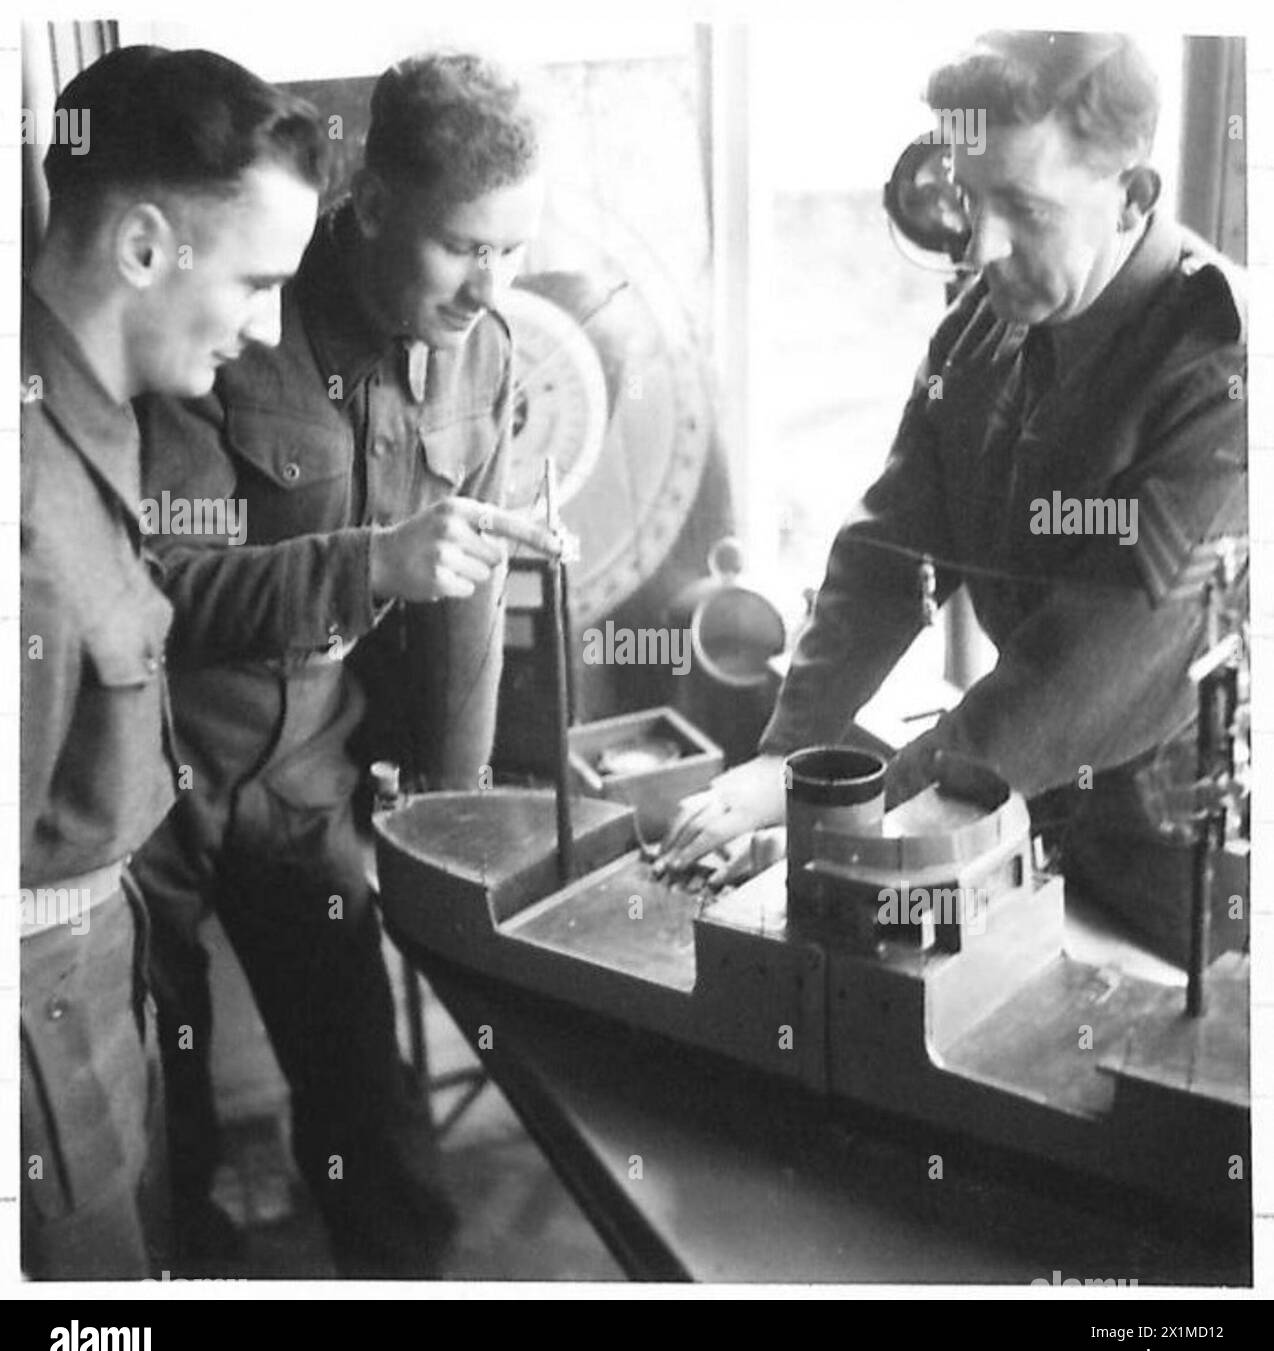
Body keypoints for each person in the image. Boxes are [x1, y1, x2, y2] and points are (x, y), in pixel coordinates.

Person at [658, 30, 1247, 935]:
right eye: (971, 200)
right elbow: (886, 553)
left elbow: (1074, 681)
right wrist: (784, 762)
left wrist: (832, 810)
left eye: (1023, 207)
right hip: (1018, 819)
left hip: (1184, 879)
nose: (982, 246)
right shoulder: (989, 319)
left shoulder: (1226, 371)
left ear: (1132, 197)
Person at [132, 51, 560, 1276]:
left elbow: (467, 597)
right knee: (163, 1121)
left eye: (514, 250)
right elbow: (156, 587)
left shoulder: (484, 350)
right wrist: (373, 565)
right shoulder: (235, 312)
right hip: (155, 775)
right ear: (371, 205)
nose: (492, 286)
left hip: (304, 774)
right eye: (463, 247)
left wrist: (454, 810)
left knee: (368, 1112)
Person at [20, 44, 326, 1278]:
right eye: (254, 283)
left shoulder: (92, 417)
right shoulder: (24, 493)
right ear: (144, 248)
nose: (261, 335)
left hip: (96, 977)